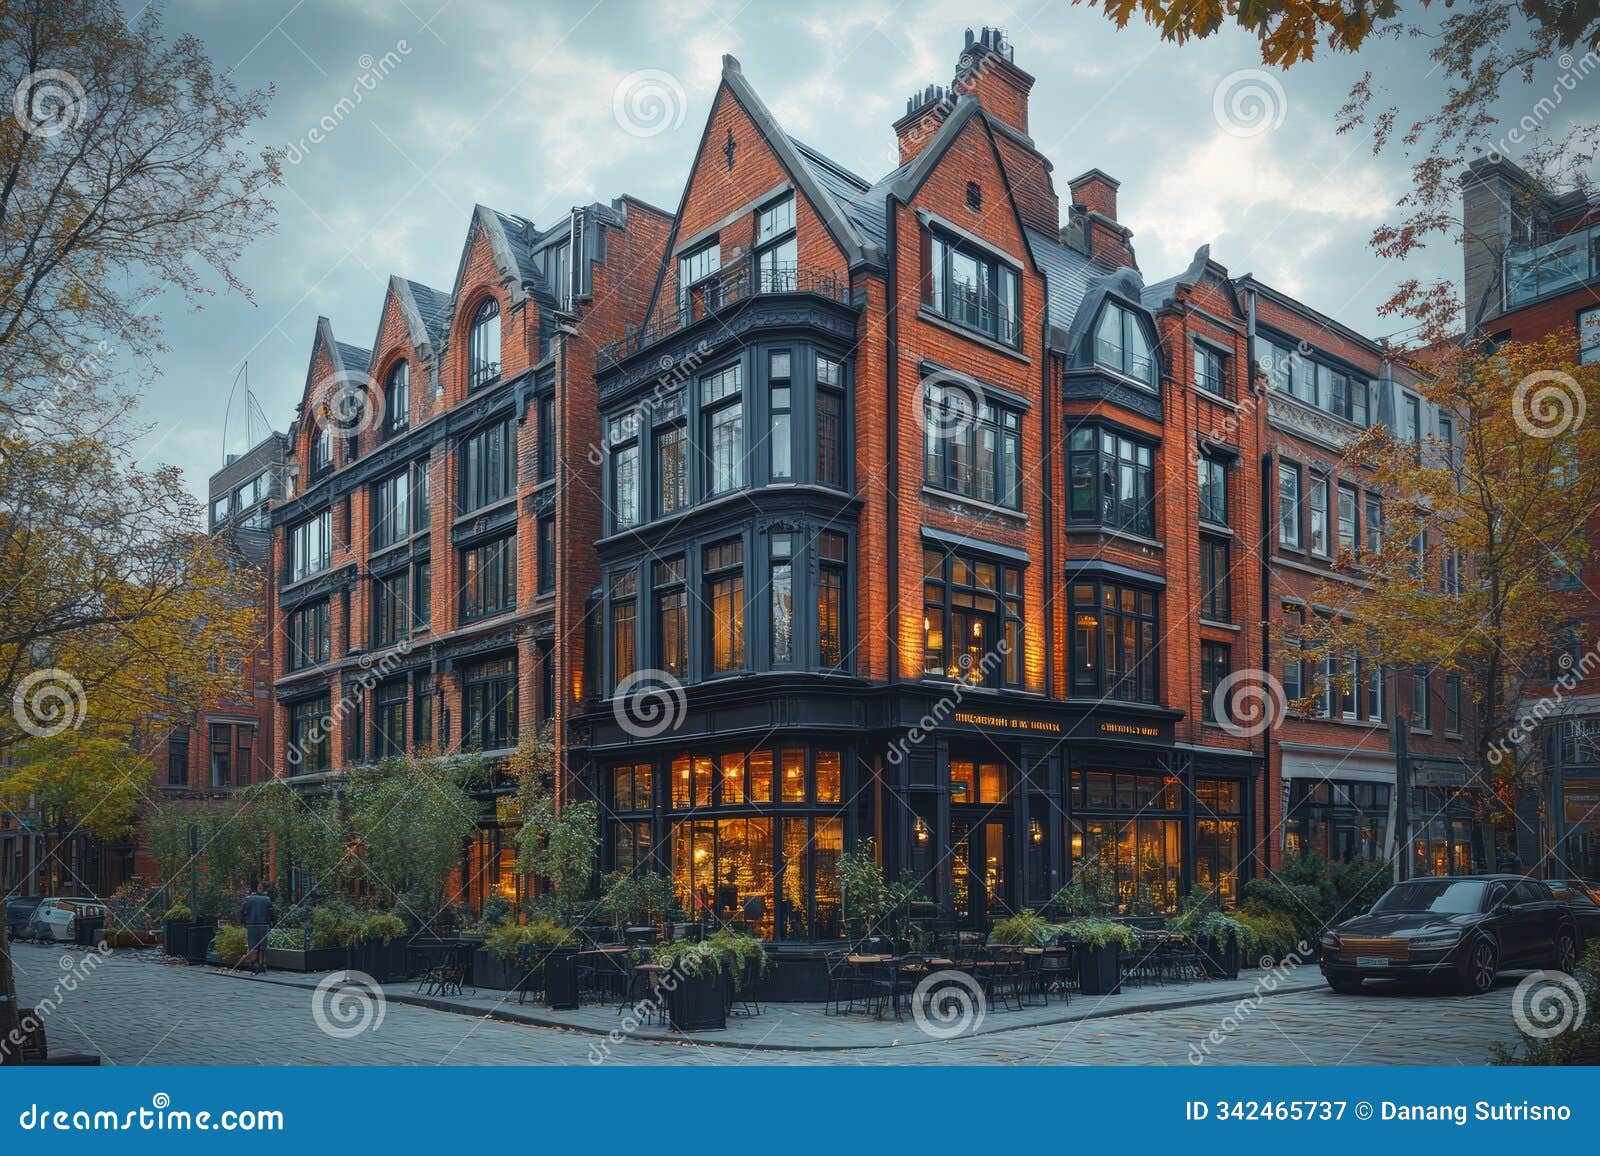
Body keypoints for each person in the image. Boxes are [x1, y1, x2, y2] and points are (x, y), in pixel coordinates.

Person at [239, 881, 272, 975]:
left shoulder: (248, 899)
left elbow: (242, 911)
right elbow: (271, 913)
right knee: (263, 947)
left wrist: (244, 921)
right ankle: (262, 965)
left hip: (251, 924)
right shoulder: (267, 899)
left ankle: (254, 965)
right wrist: (271, 922)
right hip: (264, 924)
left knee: (253, 946)